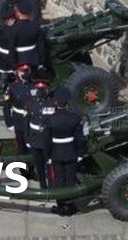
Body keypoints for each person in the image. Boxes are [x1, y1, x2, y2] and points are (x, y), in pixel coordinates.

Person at [44, 86, 87, 216]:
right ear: (67, 102)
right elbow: (80, 139)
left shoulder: (50, 119)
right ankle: (70, 205)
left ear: (56, 102)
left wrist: (48, 156)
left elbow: (47, 141)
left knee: (59, 180)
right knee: (70, 180)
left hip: (56, 153)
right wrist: (80, 153)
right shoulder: (75, 118)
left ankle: (61, 206)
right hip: (71, 152)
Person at [26, 79, 54, 188]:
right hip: (35, 138)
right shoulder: (30, 103)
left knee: (49, 165)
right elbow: (26, 121)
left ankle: (51, 186)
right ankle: (43, 186)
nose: (41, 92)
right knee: (39, 165)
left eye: (43, 89)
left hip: (48, 138)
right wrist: (27, 138)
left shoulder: (52, 103)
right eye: (39, 89)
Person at [3, 63, 33, 155]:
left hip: (32, 120)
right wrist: (9, 123)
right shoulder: (12, 87)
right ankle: (23, 168)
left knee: (32, 147)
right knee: (21, 146)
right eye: (22, 71)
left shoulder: (35, 86)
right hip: (19, 121)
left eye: (26, 71)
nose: (24, 73)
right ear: (17, 72)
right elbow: (6, 107)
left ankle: (33, 168)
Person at [8, 0, 44, 72]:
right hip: (33, 59)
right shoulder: (36, 26)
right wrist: (41, 62)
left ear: (18, 13)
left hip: (20, 60)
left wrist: (13, 66)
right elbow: (41, 46)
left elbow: (11, 49)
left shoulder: (14, 29)